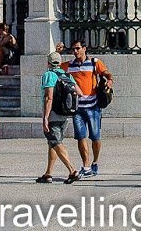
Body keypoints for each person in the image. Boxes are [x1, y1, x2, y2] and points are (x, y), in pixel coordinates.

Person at [65, 40, 113, 177]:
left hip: (93, 106)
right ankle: (86, 165)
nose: (75, 51)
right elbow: (53, 67)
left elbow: (106, 73)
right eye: (73, 49)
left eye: (78, 48)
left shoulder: (94, 62)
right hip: (77, 108)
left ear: (84, 49)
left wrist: (109, 80)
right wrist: (56, 52)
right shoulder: (69, 65)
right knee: (80, 137)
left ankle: (95, 162)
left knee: (95, 137)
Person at [38, 52, 80, 185]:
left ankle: (72, 171)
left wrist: (45, 117)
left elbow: (48, 97)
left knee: (56, 142)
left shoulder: (48, 75)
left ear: (48, 63)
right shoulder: (67, 75)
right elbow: (80, 92)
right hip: (65, 114)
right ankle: (48, 173)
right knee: (52, 143)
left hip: (53, 114)